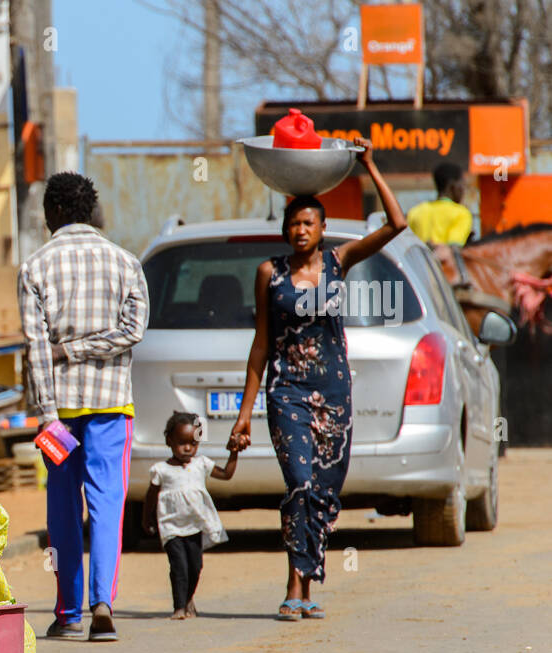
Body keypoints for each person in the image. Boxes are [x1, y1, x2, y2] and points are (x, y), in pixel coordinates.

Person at [229, 137, 406, 621]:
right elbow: (261, 345)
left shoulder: (338, 263)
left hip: (333, 394)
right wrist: (244, 416)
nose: (299, 229)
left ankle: (308, 585)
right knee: (300, 485)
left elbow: (398, 223)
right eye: (293, 223)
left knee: (325, 492)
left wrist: (368, 164)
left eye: (308, 222)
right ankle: (293, 585)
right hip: (287, 391)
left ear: (324, 228)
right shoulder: (270, 273)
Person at [19, 172, 148, 641]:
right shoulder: (126, 262)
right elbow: (134, 331)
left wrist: (49, 411)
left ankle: (69, 612)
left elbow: (36, 350)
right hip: (113, 404)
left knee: (62, 511)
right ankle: (103, 604)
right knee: (107, 503)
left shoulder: (35, 267)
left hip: (59, 412)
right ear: (90, 209)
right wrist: (88, 347)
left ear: (52, 213)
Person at [143, 412, 237, 619]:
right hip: (171, 527)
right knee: (179, 566)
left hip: (195, 526)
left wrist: (234, 454)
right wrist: (147, 519)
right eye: (182, 443)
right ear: (169, 441)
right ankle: (179, 607)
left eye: (193, 444)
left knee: (195, 566)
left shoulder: (201, 464)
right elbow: (151, 496)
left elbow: (227, 474)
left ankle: (188, 600)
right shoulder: (161, 470)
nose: (188, 448)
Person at [407, 162, 473, 246]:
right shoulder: (462, 214)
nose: (464, 190)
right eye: (463, 184)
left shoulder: (415, 211)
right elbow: (453, 248)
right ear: (453, 186)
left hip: (417, 258)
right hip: (442, 258)